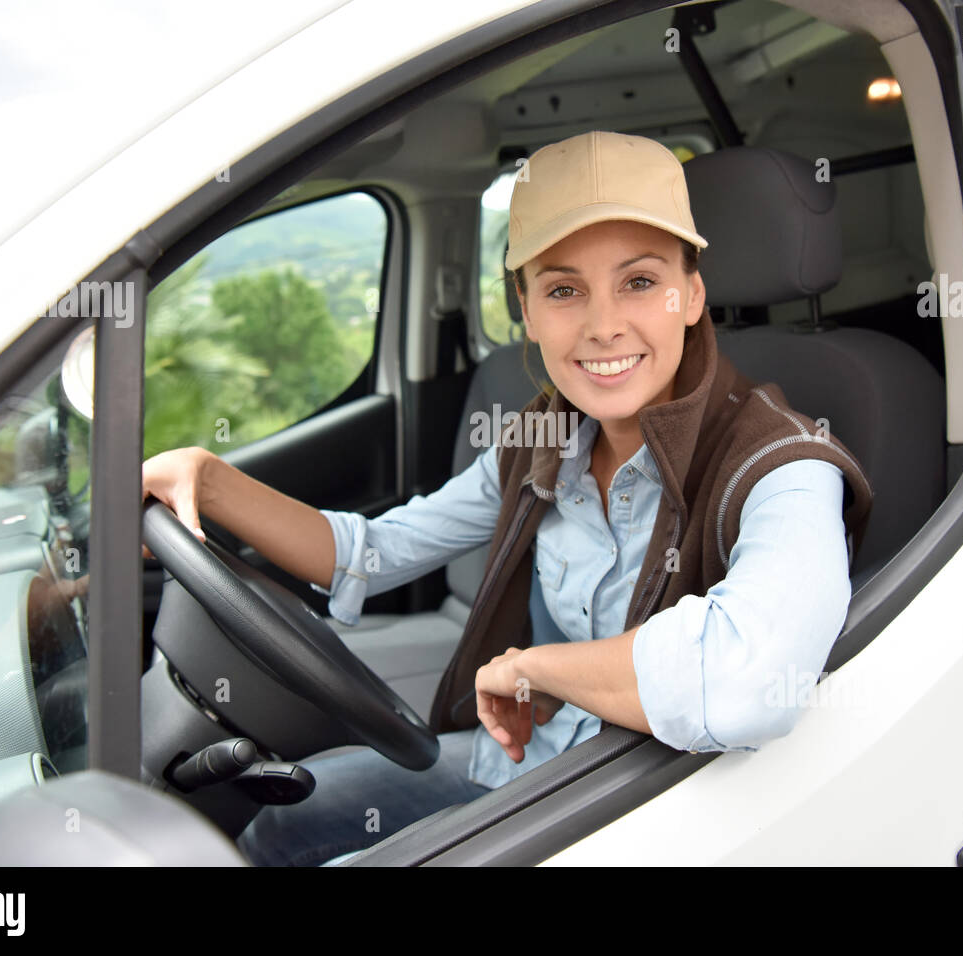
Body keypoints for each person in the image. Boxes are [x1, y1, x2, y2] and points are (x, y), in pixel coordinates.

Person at [141, 130, 873, 866]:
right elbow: (372, 552)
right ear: (525, 305)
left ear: (693, 293)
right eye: (564, 290)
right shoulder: (540, 443)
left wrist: (538, 669)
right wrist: (210, 479)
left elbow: (747, 680)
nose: (603, 326)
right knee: (279, 823)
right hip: (526, 767)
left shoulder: (782, 465)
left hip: (645, 805)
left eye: (640, 281)